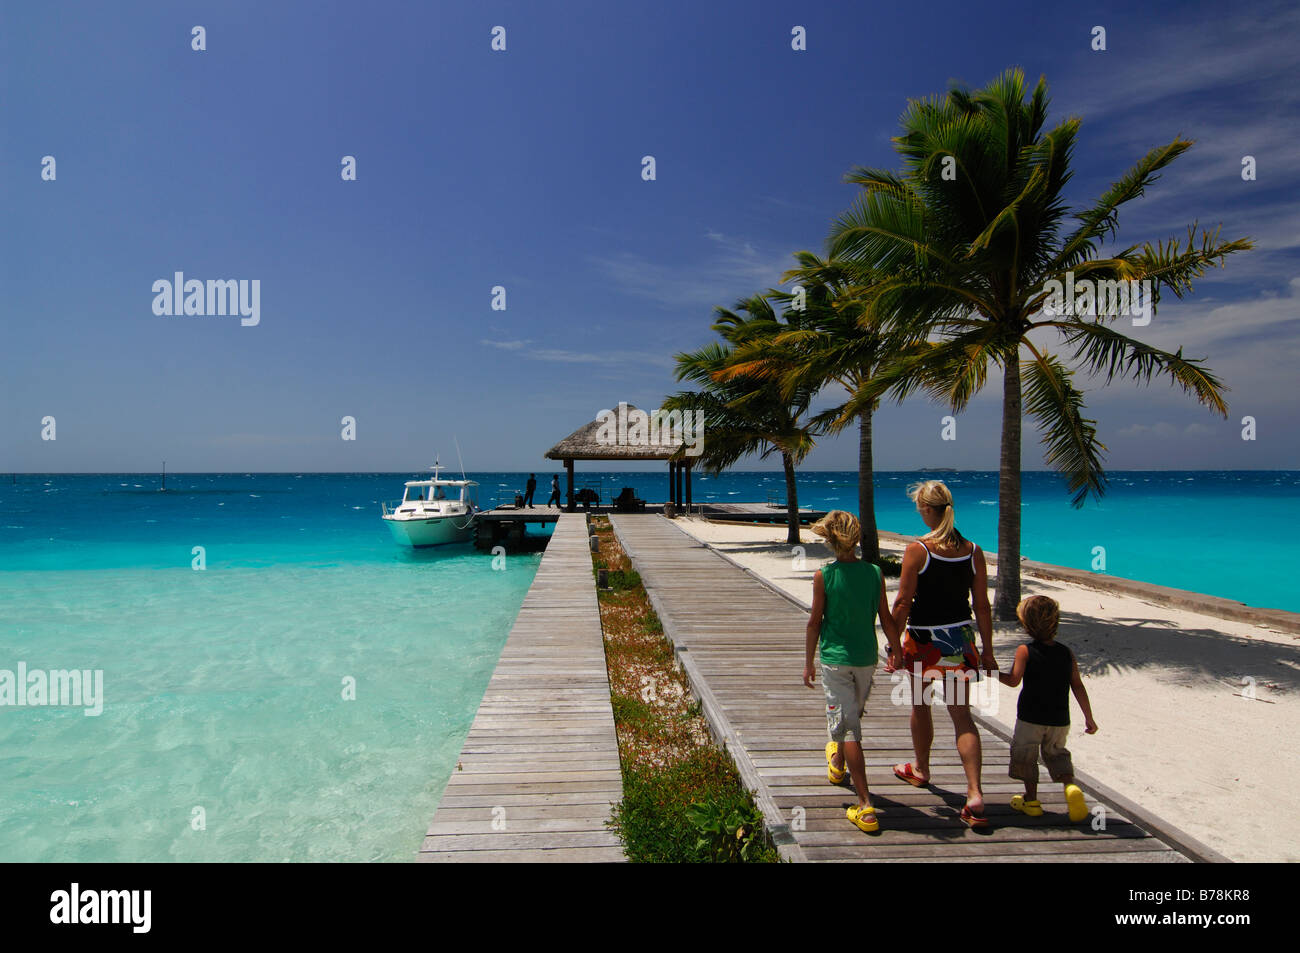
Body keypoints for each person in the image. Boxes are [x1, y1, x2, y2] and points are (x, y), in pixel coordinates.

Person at [889, 480, 996, 828]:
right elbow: (981, 605)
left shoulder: (918, 550)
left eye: (920, 508)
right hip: (960, 642)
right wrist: (988, 650)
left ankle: (920, 768)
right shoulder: (973, 550)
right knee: (962, 716)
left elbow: (904, 602)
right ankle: (975, 792)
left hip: (924, 642)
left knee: (921, 706)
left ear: (927, 510)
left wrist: (892, 644)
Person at [803, 510, 903, 833]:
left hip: (835, 660)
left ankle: (865, 806)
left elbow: (815, 622)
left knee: (848, 731)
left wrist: (808, 663)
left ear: (830, 541)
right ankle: (837, 763)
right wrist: (897, 649)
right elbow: (886, 618)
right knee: (851, 719)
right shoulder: (874, 573)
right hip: (865, 660)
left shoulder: (824, 576)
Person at [998, 595, 1097, 822]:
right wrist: (1089, 717)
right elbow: (1078, 685)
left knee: (1027, 758)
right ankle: (1070, 787)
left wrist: (991, 672)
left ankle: (1031, 801)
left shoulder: (1025, 650)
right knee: (1057, 755)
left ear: (1026, 624)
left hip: (1030, 718)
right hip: (1060, 719)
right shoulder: (1066, 653)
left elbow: (1014, 680)